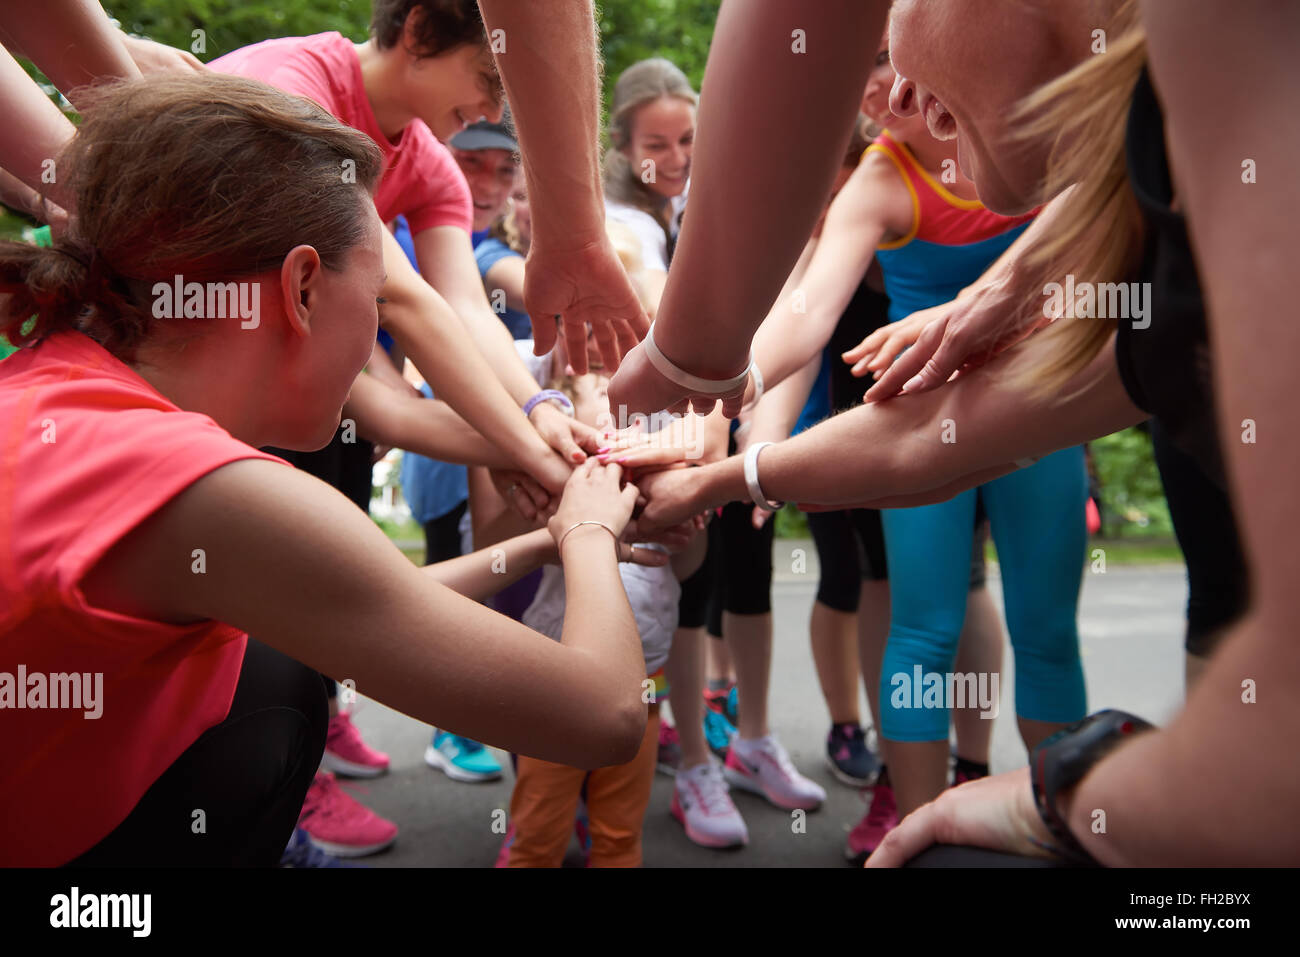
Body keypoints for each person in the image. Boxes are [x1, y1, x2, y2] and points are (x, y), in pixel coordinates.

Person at [628, 0, 1300, 865]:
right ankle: (913, 809)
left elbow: (1268, 769)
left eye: (883, 35)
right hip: (958, 410)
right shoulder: (1144, 194)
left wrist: (1050, 797)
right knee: (926, 630)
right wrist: (718, 443)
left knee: (1043, 635)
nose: (893, 94)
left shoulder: (1223, 52)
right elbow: (922, 429)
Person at [0, 73, 654, 867]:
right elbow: (606, 713)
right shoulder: (207, 487)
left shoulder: (65, 387)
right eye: (377, 296)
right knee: (282, 682)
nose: (377, 325)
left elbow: (357, 597)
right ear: (302, 286)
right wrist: (591, 531)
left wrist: (544, 541)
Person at [491, 368, 705, 866]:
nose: (628, 413)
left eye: (643, 406)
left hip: (645, 690)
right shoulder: (565, 483)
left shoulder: (665, 482)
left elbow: (689, 565)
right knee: (538, 829)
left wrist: (691, 519)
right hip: (557, 690)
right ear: (569, 423)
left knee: (621, 831)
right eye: (608, 397)